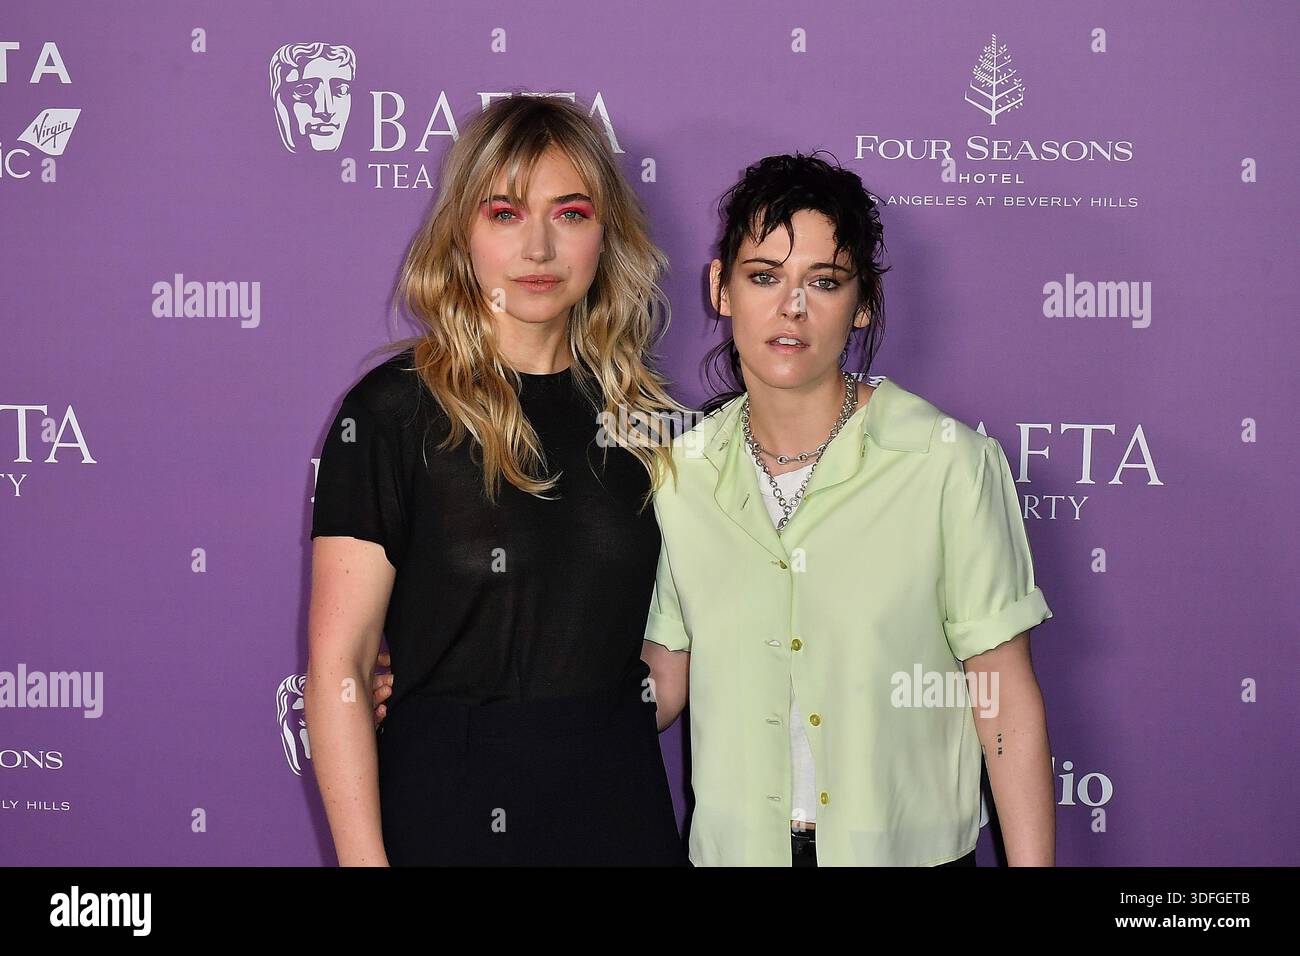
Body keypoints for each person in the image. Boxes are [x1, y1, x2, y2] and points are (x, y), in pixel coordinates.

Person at [371, 152, 1057, 867]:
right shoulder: (681, 471)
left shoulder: (946, 463)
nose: (792, 308)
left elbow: (1003, 696)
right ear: (720, 288)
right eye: (764, 276)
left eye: (823, 282)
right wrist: (454, 687)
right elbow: (658, 681)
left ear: (863, 305)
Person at [304, 94, 691, 866]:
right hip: (442, 818)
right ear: (463, 233)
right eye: (507, 213)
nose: (539, 248)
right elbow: (338, 668)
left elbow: (667, 675)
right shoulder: (390, 413)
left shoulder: (657, 427)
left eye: (571, 212)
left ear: (606, 235)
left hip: (618, 820)